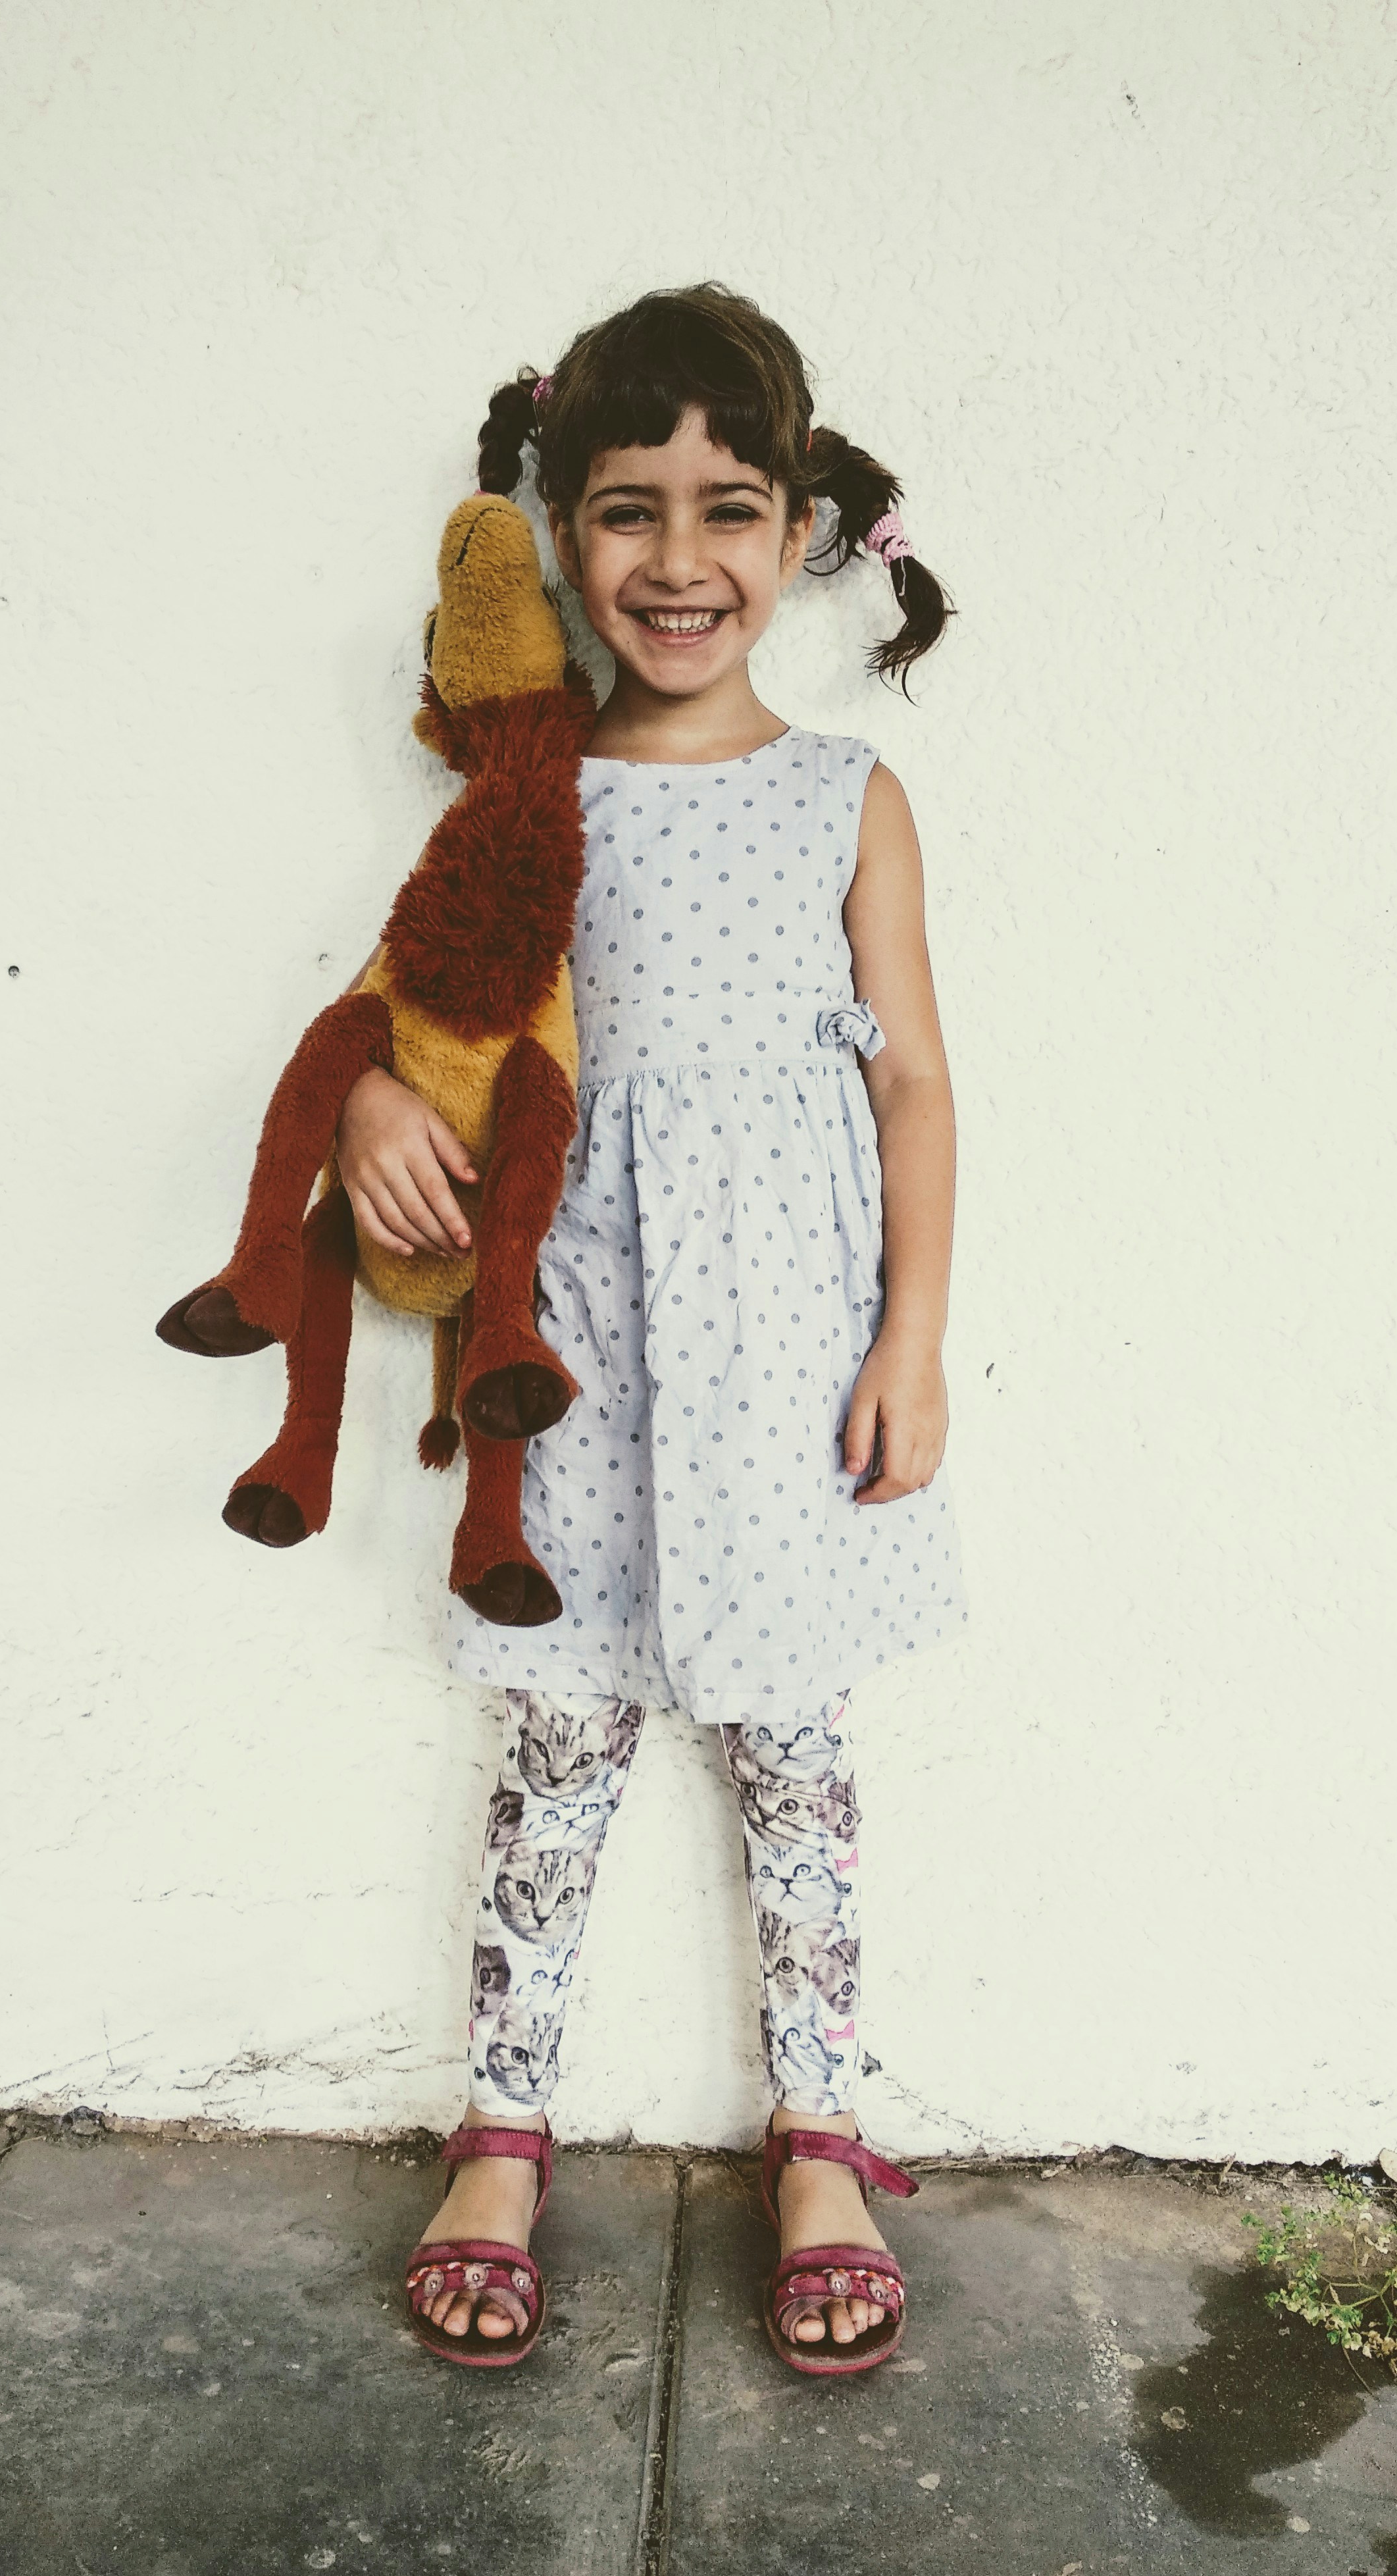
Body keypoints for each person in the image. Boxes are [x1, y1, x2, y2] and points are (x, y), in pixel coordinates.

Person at [340, 286, 968, 2373]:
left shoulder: (846, 797)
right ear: (559, 533)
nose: (678, 560)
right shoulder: (524, 796)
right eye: (628, 510)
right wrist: (367, 1107)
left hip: (789, 1358)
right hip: (583, 1358)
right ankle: (504, 2132)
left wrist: (912, 1341)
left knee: (798, 1758)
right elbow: (417, 1011)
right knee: (559, 1747)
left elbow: (913, 1082)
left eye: (727, 509)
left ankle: (824, 2139)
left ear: (803, 528)